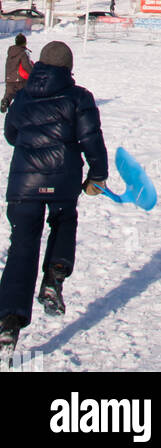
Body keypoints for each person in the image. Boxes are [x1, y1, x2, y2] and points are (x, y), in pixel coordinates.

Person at [0, 40, 108, 355]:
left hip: (25, 183)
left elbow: (11, 135)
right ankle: (54, 278)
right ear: (68, 68)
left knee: (22, 246)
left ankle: (8, 322)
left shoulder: (22, 97)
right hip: (62, 180)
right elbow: (91, 139)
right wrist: (97, 175)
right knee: (64, 220)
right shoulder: (79, 97)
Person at [1, 34, 32, 113]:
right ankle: (19, 111)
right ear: (24, 43)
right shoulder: (23, 52)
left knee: (9, 94)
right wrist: (33, 73)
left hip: (9, 79)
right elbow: (26, 66)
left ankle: (5, 101)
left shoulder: (11, 52)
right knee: (22, 95)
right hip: (20, 80)